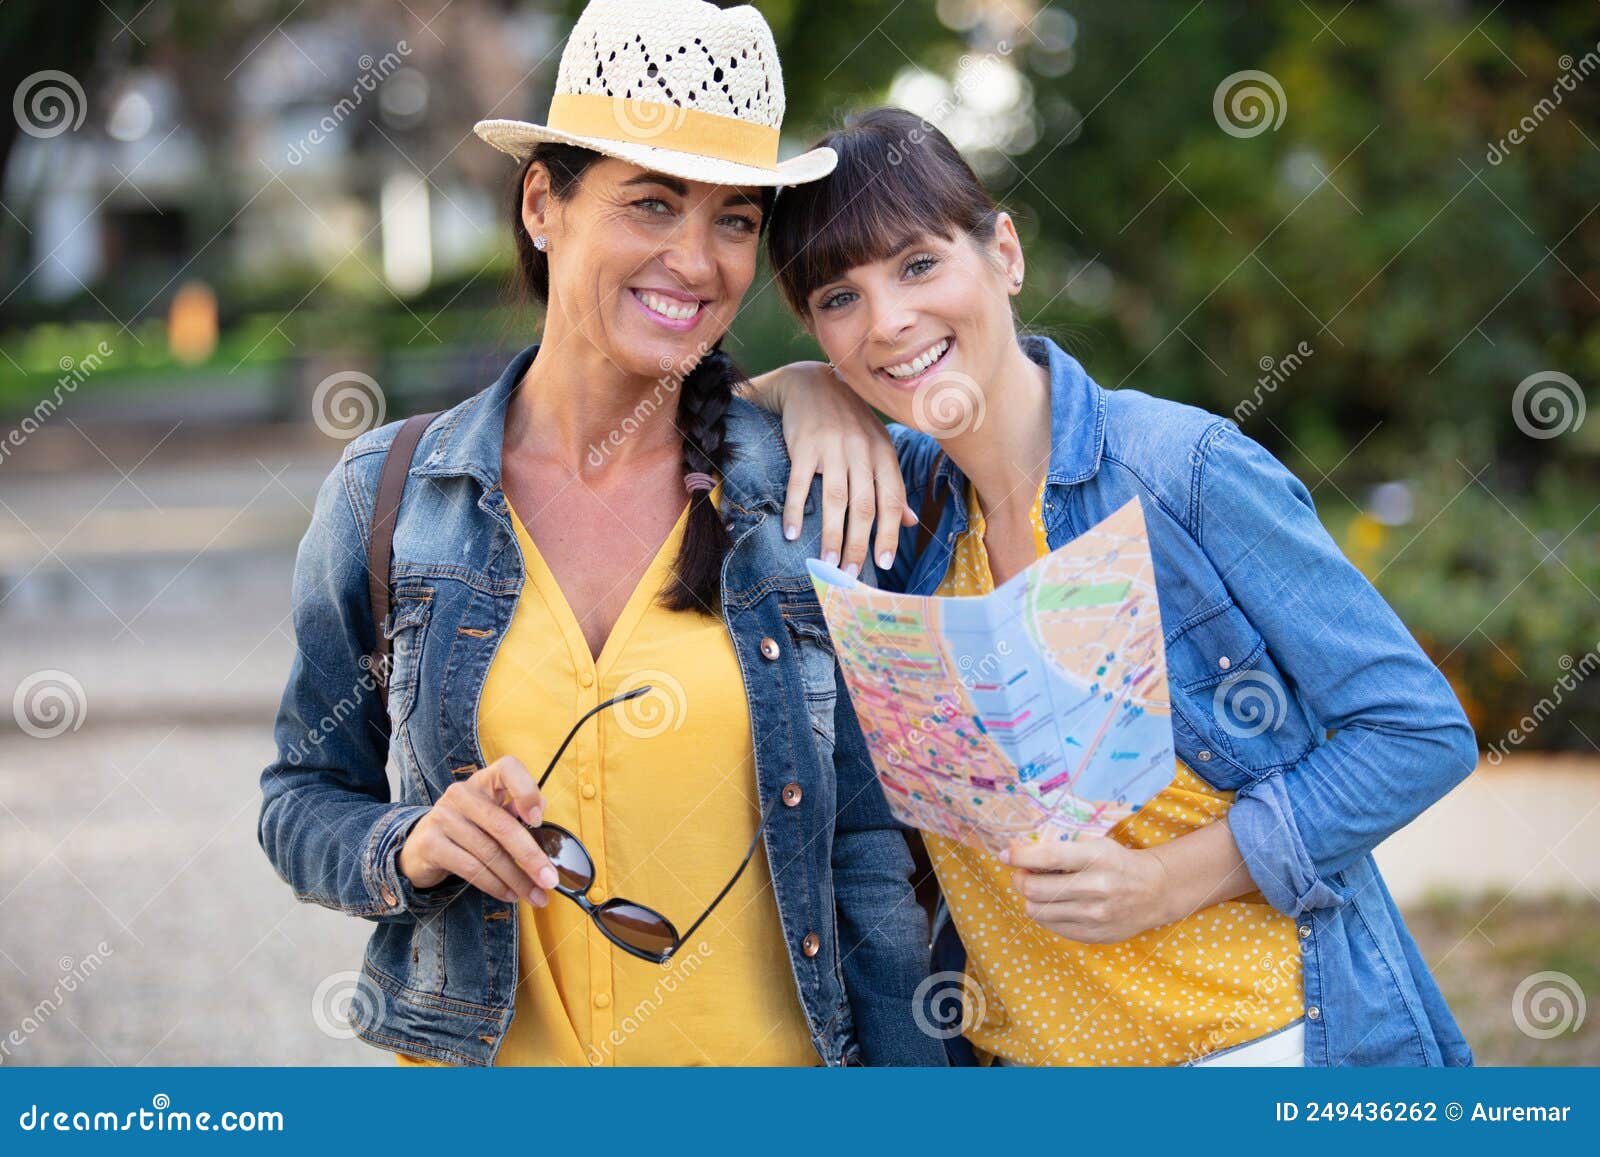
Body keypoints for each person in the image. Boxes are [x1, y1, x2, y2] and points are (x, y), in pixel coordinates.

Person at [257, 5, 943, 1068]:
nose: (696, 259)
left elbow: (872, 853)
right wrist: (411, 841)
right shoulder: (387, 496)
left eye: (734, 220)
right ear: (544, 203)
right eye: (652, 203)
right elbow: (301, 797)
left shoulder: (813, 494)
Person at [751, 107, 1479, 1066]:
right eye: (839, 298)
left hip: (1259, 1048)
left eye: (919, 264)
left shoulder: (1181, 469)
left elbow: (1417, 731)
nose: (887, 321)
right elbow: (682, 415)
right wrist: (798, 385)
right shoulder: (905, 511)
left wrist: (1167, 880)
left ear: (1005, 253)